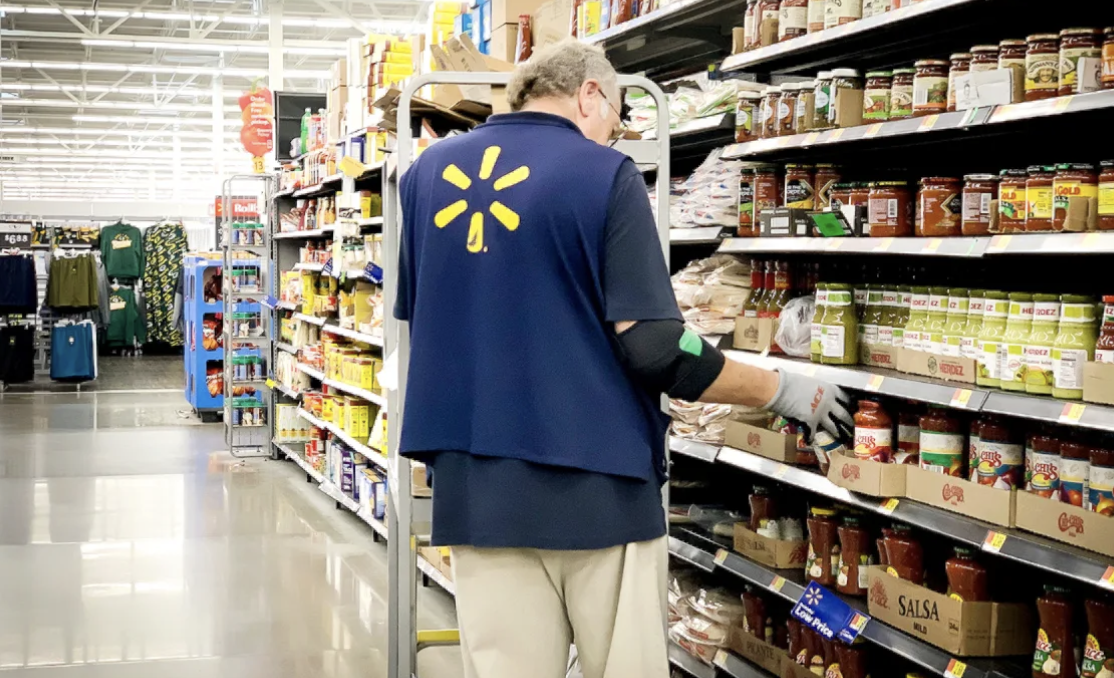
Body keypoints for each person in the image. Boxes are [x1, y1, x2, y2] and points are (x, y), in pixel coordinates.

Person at [393, 38, 853, 678]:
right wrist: (785, 391)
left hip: (476, 492)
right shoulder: (603, 175)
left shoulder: (423, 176)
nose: (616, 133)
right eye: (616, 117)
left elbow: (431, 318)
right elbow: (658, 347)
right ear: (589, 94)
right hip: (597, 488)